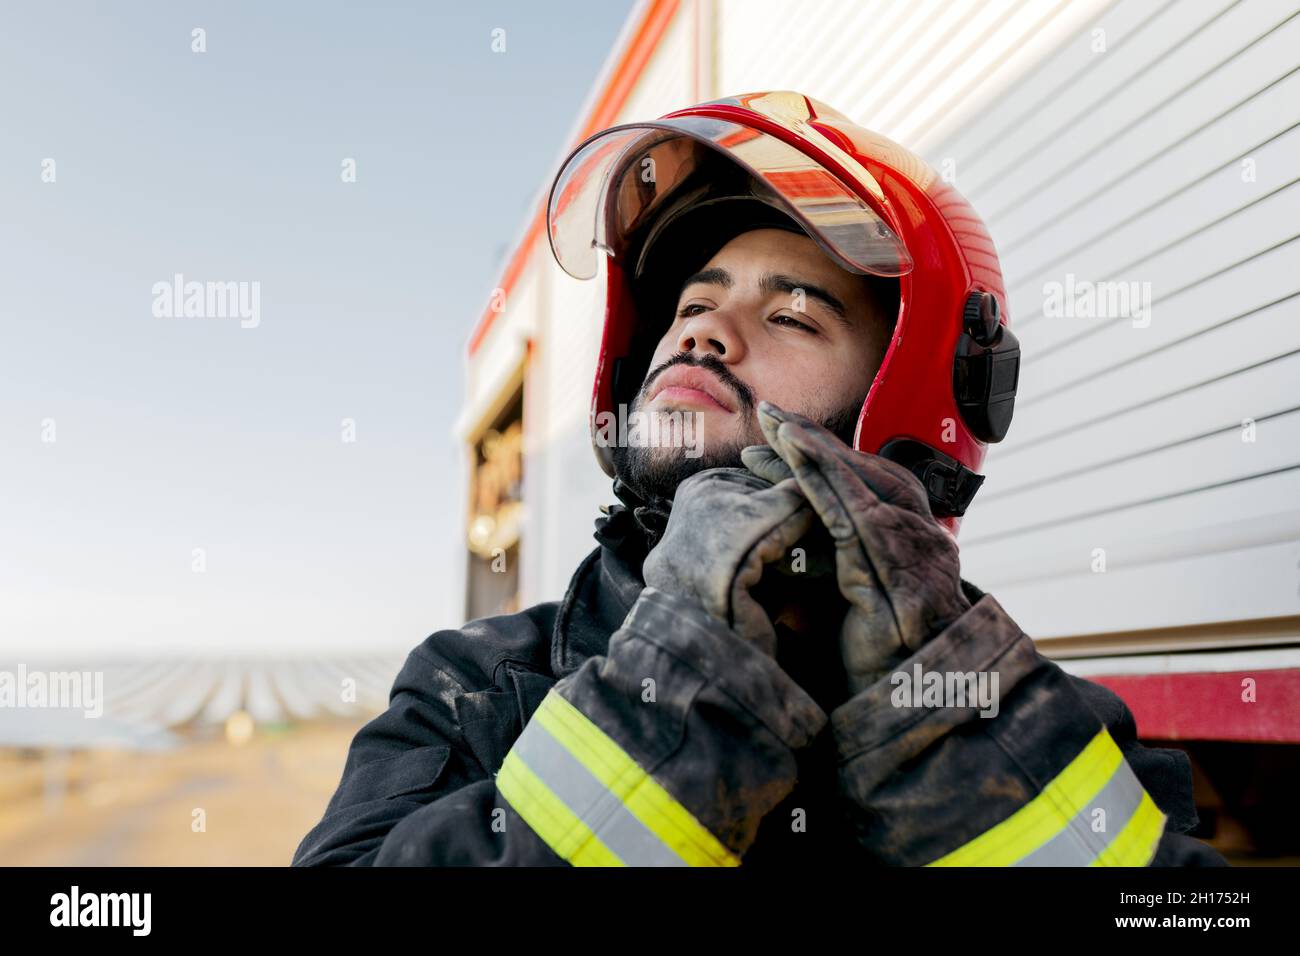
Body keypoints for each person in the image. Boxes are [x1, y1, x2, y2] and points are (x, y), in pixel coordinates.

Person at [292, 91, 1226, 867]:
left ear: (898, 402)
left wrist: (944, 722)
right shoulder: (479, 685)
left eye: (792, 316)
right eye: (695, 303)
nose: (704, 332)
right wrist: (678, 675)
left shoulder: (1037, 725)